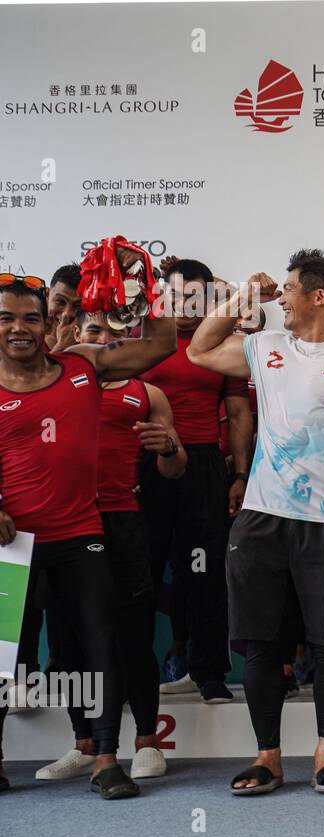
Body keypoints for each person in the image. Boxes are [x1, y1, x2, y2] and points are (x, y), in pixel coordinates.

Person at [187, 249, 324, 798]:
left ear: (318, 295)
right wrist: (241, 297)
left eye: (286, 290)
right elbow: (201, 348)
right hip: (260, 519)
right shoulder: (268, 348)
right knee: (260, 643)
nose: (279, 298)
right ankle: (268, 757)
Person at [0, 271, 177, 799]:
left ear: (50, 320)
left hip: (82, 535)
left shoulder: (83, 365)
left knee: (102, 644)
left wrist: (139, 282)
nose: (18, 328)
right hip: (13, 547)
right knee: (6, 654)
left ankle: (105, 759)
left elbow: (162, 342)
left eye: (30, 317)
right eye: (6, 318)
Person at [37, 310, 188, 783]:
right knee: (65, 640)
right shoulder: (54, 384)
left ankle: (146, 740)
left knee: (130, 635)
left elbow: (176, 468)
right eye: (95, 333)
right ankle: (83, 743)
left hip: (120, 522)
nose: (105, 342)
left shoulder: (148, 393)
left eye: (116, 336)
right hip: (60, 524)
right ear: (76, 338)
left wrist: (168, 449)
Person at [146, 258, 252, 704]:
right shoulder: (141, 340)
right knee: (143, 572)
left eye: (197, 295)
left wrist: (241, 473)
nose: (186, 304)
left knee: (205, 573)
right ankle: (137, 675)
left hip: (206, 465)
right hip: (145, 462)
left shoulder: (222, 346)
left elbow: (240, 412)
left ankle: (209, 671)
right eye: (177, 294)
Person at [43, 263, 81, 352]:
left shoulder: (92, 343)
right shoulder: (28, 334)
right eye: (61, 302)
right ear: (47, 295)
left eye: (78, 306)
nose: (67, 313)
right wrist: (62, 345)